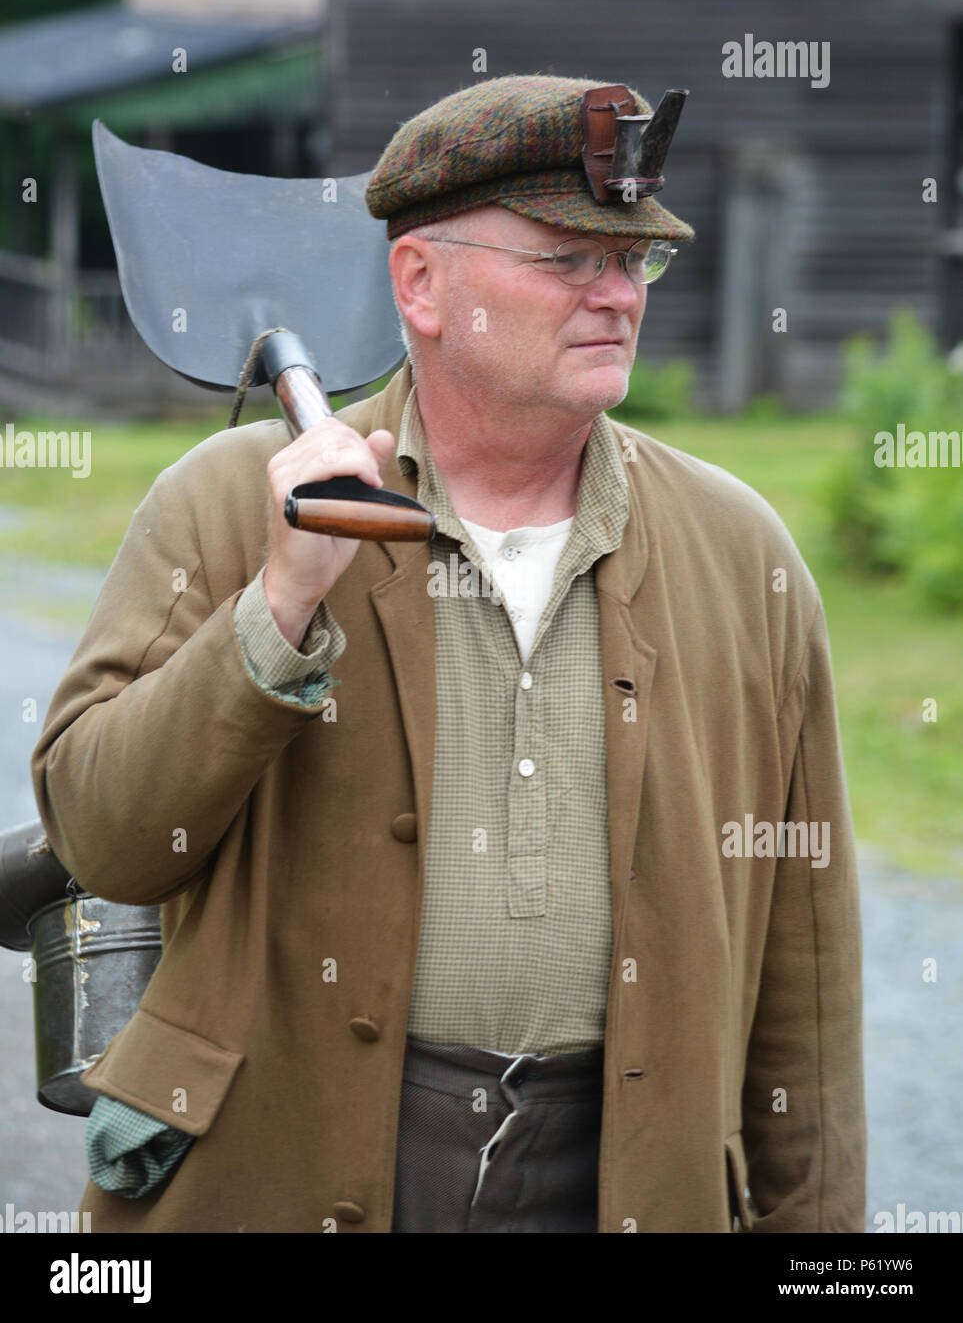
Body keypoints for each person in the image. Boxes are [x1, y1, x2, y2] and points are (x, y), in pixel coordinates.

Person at [31, 74, 866, 1233]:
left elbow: (804, 975)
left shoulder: (744, 554)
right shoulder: (228, 507)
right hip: (278, 1168)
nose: (617, 295)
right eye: (570, 258)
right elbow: (103, 835)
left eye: (636, 262)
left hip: (627, 1179)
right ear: (421, 281)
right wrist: (278, 604)